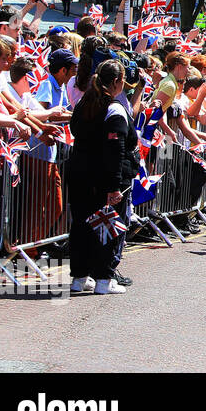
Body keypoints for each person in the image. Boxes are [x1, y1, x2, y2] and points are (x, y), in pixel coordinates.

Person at [66, 59, 137, 295]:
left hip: (79, 174)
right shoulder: (114, 109)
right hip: (102, 179)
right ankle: (104, 279)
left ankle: (79, 277)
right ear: (117, 82)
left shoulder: (82, 104)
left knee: (81, 225)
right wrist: (114, 186)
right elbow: (115, 151)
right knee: (108, 227)